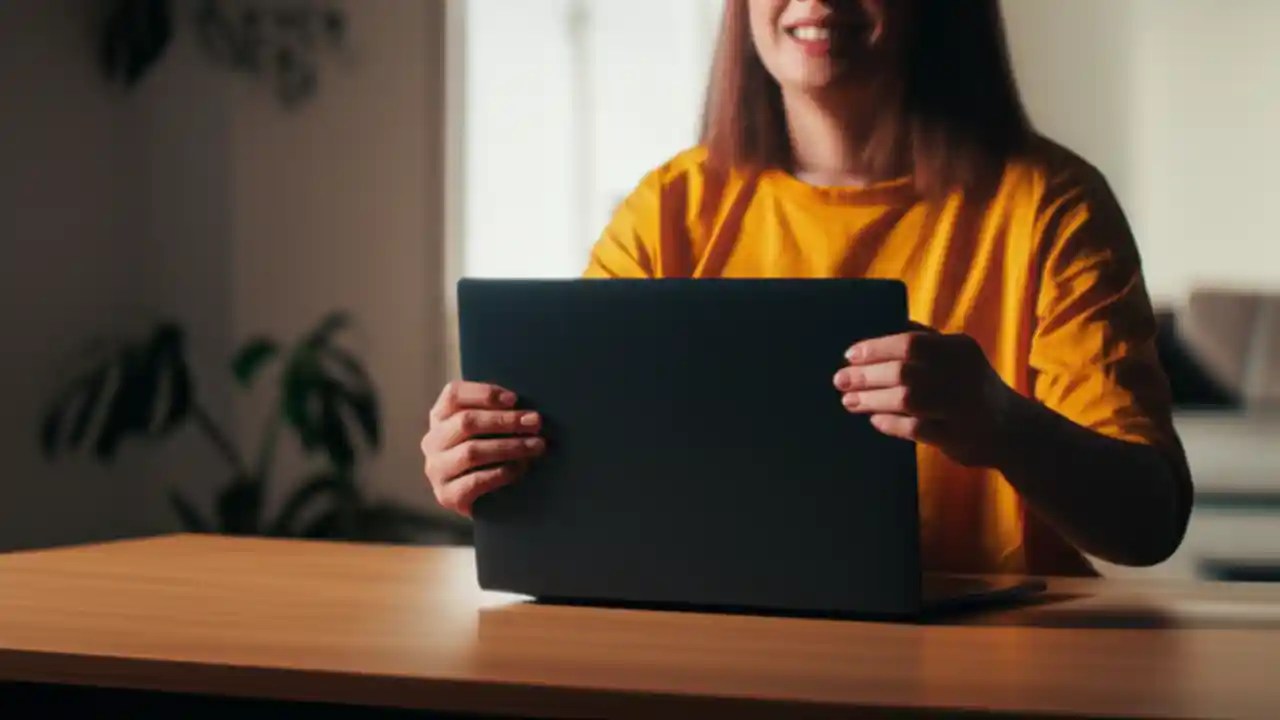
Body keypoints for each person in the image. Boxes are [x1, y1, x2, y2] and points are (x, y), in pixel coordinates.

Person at [421, 0, 1192, 576]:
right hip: (731, 658)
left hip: (1003, 671)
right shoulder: (668, 209)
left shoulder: (1052, 206)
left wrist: (1001, 422)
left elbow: (1150, 520)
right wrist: (486, 462)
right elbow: (588, 476)